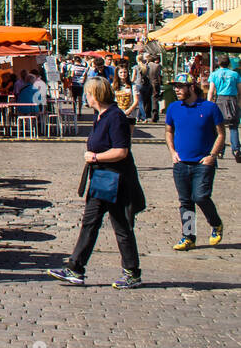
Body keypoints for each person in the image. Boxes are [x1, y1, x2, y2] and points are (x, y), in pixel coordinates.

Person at [47, 77, 144, 289]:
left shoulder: (115, 116)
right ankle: (75, 268)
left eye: (88, 94)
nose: (86, 98)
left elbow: (121, 151)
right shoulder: (100, 116)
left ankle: (132, 272)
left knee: (121, 226)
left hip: (116, 180)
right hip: (100, 179)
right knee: (89, 223)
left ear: (96, 95)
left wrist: (96, 157)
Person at [164, 76, 226, 251]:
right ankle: (188, 237)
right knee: (186, 202)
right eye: (175, 87)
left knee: (200, 196)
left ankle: (216, 224)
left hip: (203, 162)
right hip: (181, 163)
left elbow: (221, 133)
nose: (176, 90)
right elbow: (169, 131)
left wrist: (212, 155)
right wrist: (172, 152)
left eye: (180, 87)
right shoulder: (173, 108)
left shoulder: (209, 107)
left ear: (191, 87)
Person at [206, 55, 241, 162]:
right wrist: (239, 102)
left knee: (219, 126)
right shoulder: (235, 74)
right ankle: (236, 149)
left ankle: (220, 150)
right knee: (233, 126)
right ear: (229, 63)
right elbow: (240, 90)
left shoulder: (214, 74)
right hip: (232, 100)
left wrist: (208, 103)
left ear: (218, 63)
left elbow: (211, 91)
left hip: (220, 100)